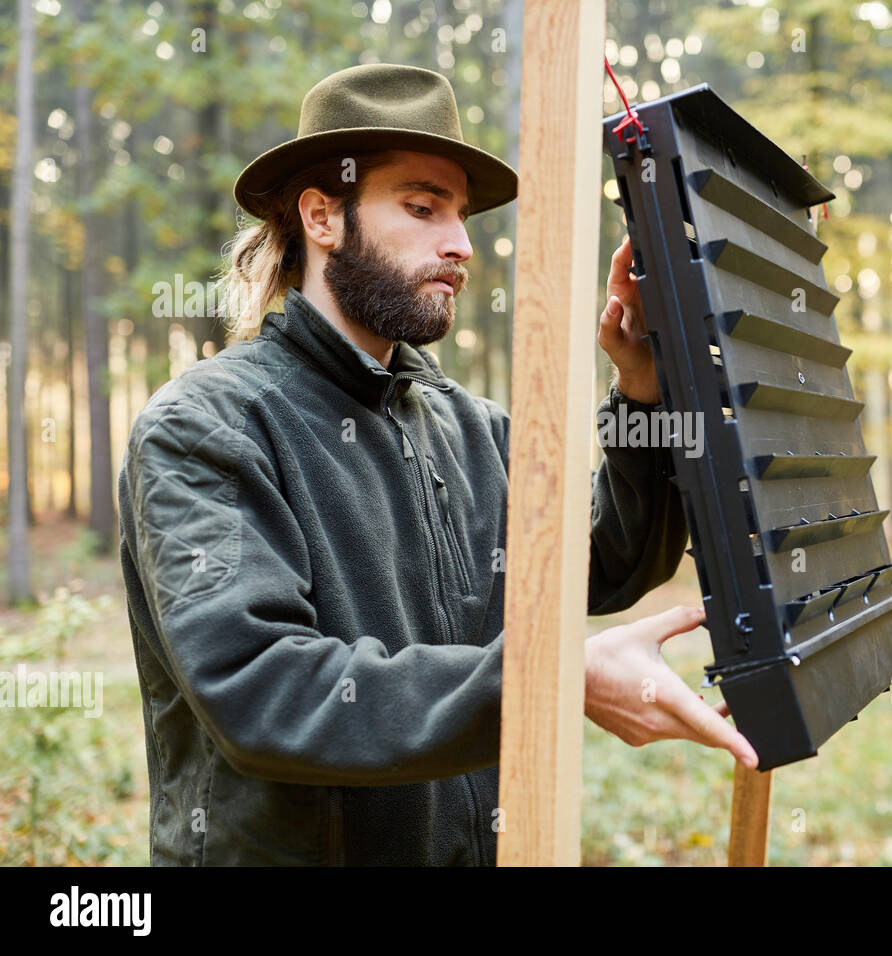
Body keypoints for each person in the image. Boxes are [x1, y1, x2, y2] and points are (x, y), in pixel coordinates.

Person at [117, 63, 756, 867]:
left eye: (459, 214)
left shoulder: (470, 424)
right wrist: (543, 681)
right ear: (322, 215)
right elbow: (261, 688)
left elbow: (603, 566)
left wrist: (642, 388)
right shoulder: (205, 427)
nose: (458, 243)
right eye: (422, 208)